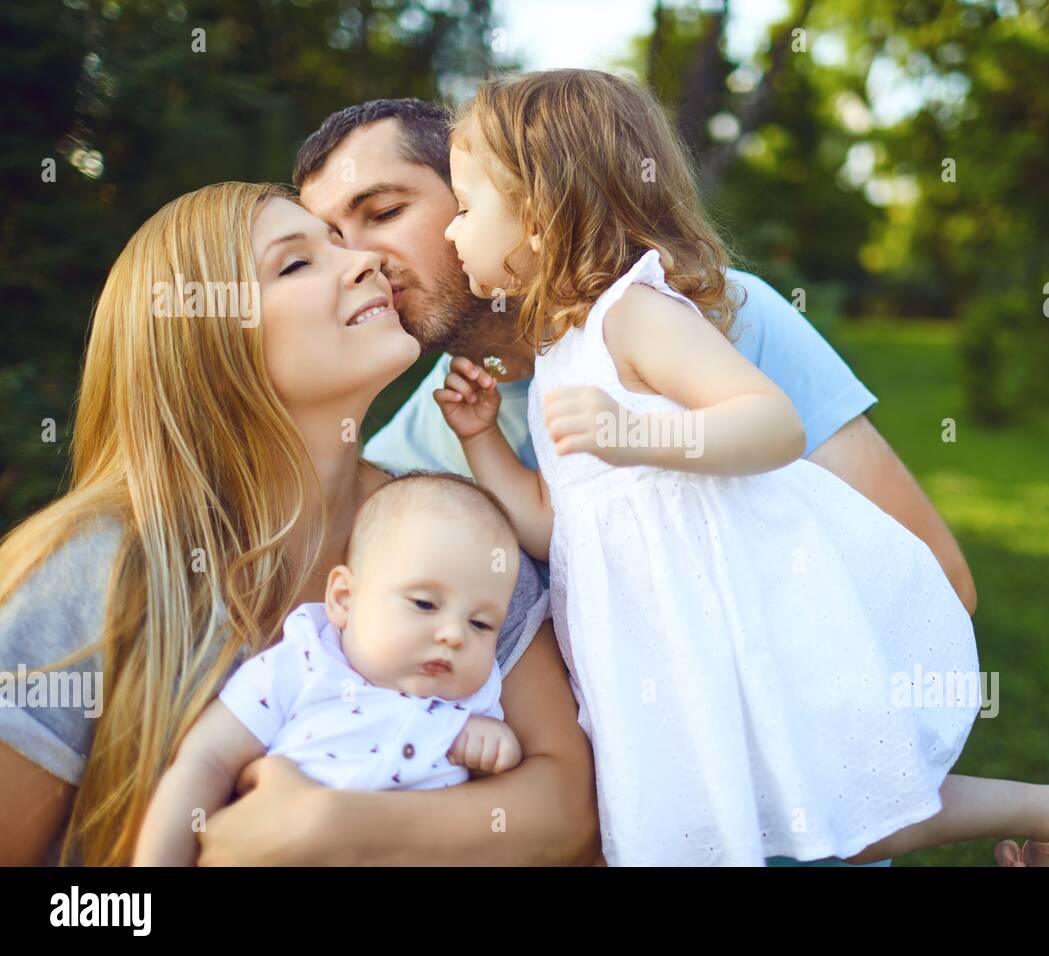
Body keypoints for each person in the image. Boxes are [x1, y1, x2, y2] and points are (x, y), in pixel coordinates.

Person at [435, 68, 1049, 866]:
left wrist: (634, 432)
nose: (450, 232)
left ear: (538, 214)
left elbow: (771, 421)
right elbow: (555, 522)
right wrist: (481, 440)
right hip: (660, 662)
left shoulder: (635, 315)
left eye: (464, 207)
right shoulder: (561, 355)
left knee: (853, 809)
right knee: (703, 823)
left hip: (741, 628)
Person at [293, 94, 976, 868]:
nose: (357, 259)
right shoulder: (418, 452)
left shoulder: (710, 317)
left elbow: (942, 581)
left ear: (498, 192)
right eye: (330, 240)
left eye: (382, 212)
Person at [0, 184, 596, 866]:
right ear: (207, 338)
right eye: (295, 263)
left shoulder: (450, 529)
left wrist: (337, 827)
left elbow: (569, 809)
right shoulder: (95, 569)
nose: (365, 261)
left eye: (341, 242)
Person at [133, 473, 526, 866]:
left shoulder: (471, 701)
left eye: (481, 624)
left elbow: (498, 804)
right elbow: (207, 760)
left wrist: (492, 748)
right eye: (424, 604)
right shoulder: (303, 665)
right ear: (344, 598)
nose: (455, 635)